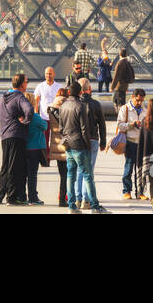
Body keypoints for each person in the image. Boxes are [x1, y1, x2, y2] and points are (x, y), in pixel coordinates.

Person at [57, 78, 108, 213]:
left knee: (71, 175)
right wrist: (88, 145)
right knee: (87, 175)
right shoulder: (81, 106)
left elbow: (61, 128)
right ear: (80, 92)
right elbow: (84, 129)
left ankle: (72, 206)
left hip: (68, 145)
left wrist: (66, 138)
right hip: (80, 145)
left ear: (69, 92)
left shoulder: (63, 106)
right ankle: (95, 207)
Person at [0, 73, 34, 205]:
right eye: (26, 82)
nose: (27, 85)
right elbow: (29, 110)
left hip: (4, 135)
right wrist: (25, 121)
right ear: (22, 84)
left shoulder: (2, 98)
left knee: (5, 166)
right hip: (16, 135)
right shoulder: (19, 97)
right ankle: (11, 197)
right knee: (14, 167)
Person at [116, 88, 147, 200]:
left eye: (142, 100)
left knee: (141, 169)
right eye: (138, 100)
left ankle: (140, 192)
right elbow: (119, 125)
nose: (139, 103)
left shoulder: (145, 109)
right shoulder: (125, 109)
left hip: (142, 143)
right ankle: (127, 191)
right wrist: (132, 124)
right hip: (129, 141)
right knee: (128, 168)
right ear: (132, 97)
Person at [81, 78, 107, 203]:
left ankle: (78, 198)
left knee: (79, 171)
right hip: (93, 139)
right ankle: (86, 199)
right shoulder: (96, 104)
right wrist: (103, 142)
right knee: (89, 170)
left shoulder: (75, 103)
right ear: (89, 89)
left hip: (78, 141)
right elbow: (102, 124)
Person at [48, 86, 71, 206]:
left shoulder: (51, 108)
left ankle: (62, 197)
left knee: (62, 174)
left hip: (56, 144)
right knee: (68, 175)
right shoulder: (66, 108)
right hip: (67, 144)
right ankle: (63, 199)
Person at [24, 104, 48, 205]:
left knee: (24, 174)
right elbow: (45, 126)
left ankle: (22, 196)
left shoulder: (21, 116)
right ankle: (33, 198)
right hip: (35, 148)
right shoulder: (35, 116)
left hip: (25, 147)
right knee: (32, 175)